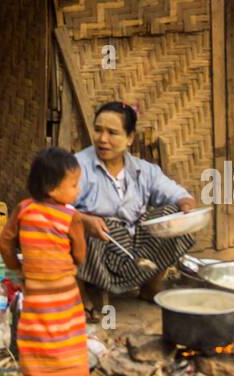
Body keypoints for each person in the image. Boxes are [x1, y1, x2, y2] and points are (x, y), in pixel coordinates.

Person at [0, 147, 91, 376]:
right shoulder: (71, 218)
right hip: (66, 298)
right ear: (52, 188)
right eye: (74, 185)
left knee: (37, 353)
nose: (78, 191)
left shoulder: (23, 210)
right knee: (69, 351)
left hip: (38, 299)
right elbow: (80, 256)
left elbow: (4, 243)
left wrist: (18, 268)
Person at [73, 101, 197, 315]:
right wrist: (83, 220)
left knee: (174, 216)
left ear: (130, 138)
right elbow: (54, 208)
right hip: (98, 248)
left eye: (112, 132)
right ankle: (80, 292)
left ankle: (149, 286)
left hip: (134, 244)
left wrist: (186, 203)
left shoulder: (144, 170)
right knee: (80, 225)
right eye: (98, 130)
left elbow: (177, 194)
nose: (102, 139)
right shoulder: (78, 166)